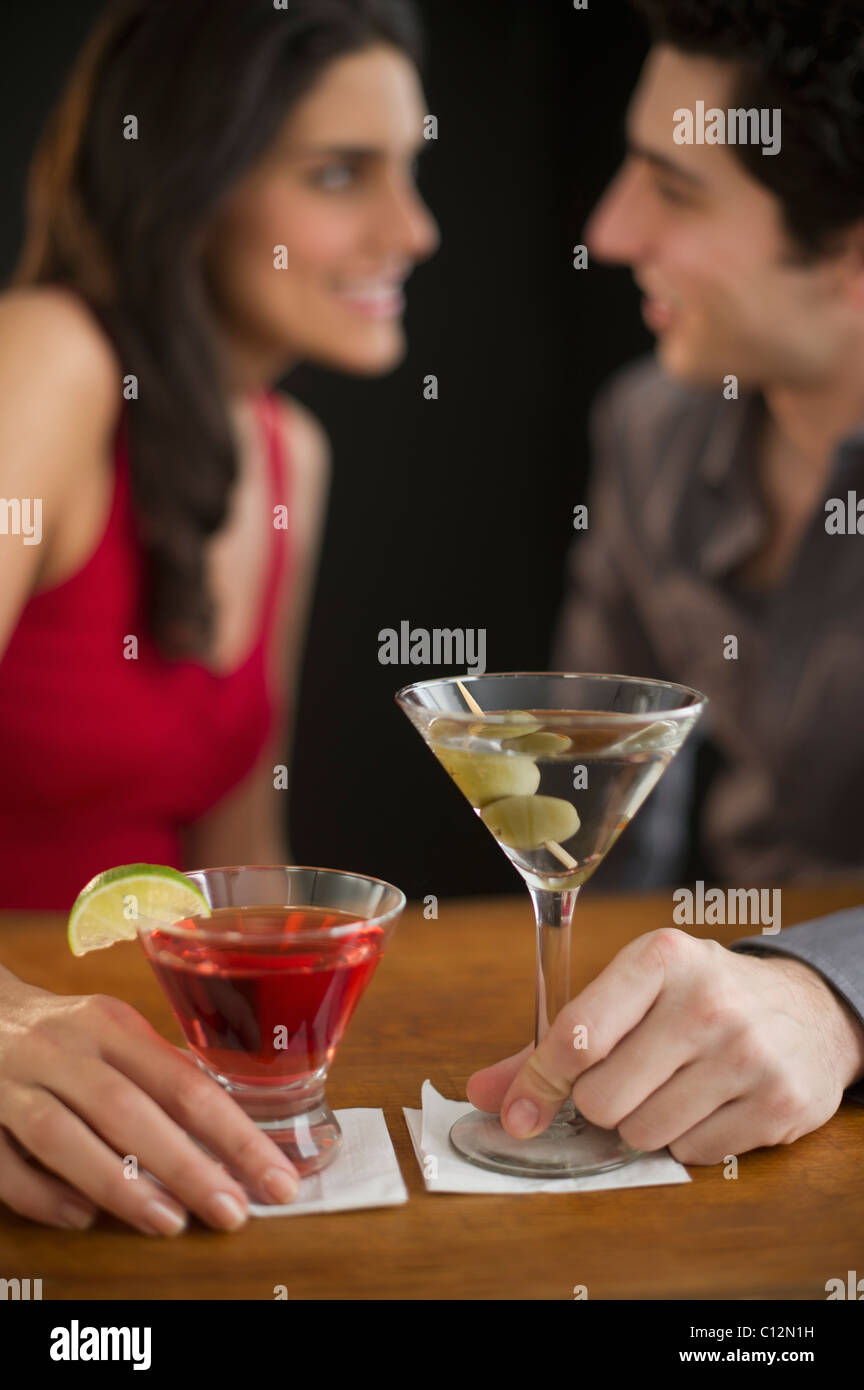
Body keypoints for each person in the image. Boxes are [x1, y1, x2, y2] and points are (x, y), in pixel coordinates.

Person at [0, 0, 437, 1234]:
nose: (413, 228)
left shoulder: (289, 451)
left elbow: (240, 846)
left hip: (154, 1112)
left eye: (413, 170)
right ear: (188, 179)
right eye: (341, 173)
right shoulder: (44, 357)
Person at [469, 0, 864, 1163]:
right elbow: (595, 811)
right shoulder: (650, 427)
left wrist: (832, 995)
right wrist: (586, 1046)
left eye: (675, 189)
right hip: (710, 1133)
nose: (610, 227)